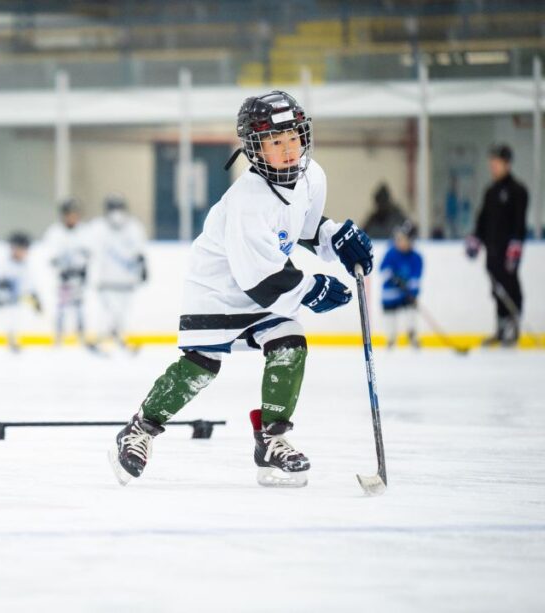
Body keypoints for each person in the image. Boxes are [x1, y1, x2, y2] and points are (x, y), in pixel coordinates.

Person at [109, 90, 374, 488]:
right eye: (275, 143)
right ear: (255, 148)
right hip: (218, 285)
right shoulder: (246, 201)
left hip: (264, 279)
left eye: (293, 139)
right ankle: (139, 429)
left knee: (289, 344)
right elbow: (261, 280)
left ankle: (271, 439)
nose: (288, 150)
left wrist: (334, 237)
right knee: (201, 364)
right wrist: (312, 288)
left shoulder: (311, 175)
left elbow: (298, 227)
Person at [466, 144, 528, 347]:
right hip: (492, 250)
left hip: (507, 251)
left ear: (506, 163)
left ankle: (513, 326)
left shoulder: (518, 191)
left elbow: (519, 223)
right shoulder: (490, 191)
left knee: (509, 285)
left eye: (496, 162)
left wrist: (516, 246)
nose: (492, 166)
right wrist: (476, 239)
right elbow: (482, 219)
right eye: (491, 163)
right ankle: (501, 328)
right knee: (496, 288)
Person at [90, 194, 148, 354]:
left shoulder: (134, 227)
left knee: (121, 313)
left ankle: (115, 338)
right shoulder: (98, 228)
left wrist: (143, 268)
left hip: (127, 281)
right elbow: (92, 253)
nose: (116, 214)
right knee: (108, 313)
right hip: (106, 281)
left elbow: (139, 252)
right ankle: (106, 339)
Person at [42, 199, 93, 348]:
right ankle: (58, 336)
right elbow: (51, 256)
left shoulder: (84, 231)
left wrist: (82, 269)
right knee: (62, 306)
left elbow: (88, 253)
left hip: (79, 277)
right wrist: (61, 270)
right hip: (62, 278)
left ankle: (81, 335)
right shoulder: (55, 232)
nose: (72, 218)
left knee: (79, 306)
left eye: (75, 214)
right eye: (69, 214)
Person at [379, 221, 423, 349]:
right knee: (390, 315)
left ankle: (412, 333)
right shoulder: (391, 253)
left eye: (404, 239)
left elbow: (416, 278)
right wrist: (394, 279)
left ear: (411, 241)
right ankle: (391, 338)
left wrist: (413, 293)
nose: (400, 241)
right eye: (399, 238)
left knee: (411, 309)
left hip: (406, 293)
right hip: (389, 294)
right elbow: (383, 270)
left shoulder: (416, 258)